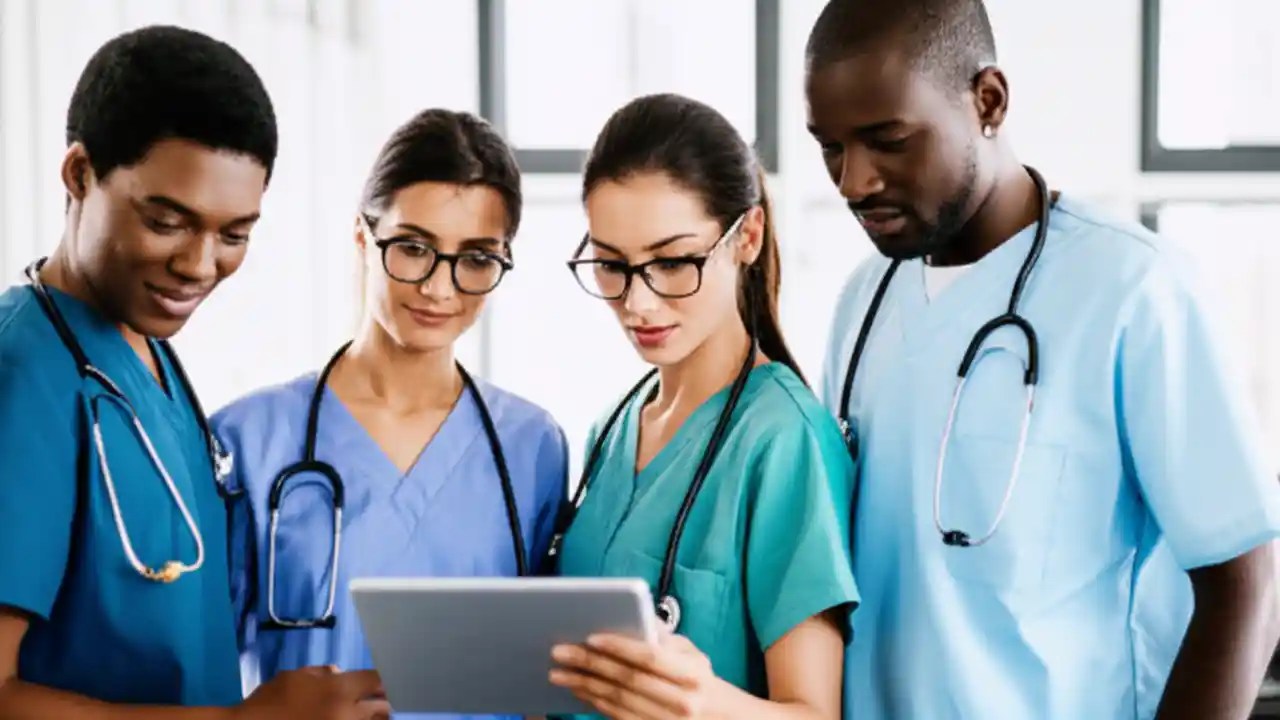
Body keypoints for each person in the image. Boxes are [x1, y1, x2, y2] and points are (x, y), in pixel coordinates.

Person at [803, 1, 1280, 718]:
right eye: (830, 148)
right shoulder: (864, 304)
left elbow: (1246, 581)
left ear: (987, 101)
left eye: (888, 141)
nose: (854, 182)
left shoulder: (1134, 289)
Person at [0, 24, 389, 719]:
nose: (199, 265)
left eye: (235, 233)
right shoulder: (23, 375)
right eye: (167, 220)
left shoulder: (149, 352)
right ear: (80, 175)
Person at [211, 108, 568, 719]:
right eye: (412, 248)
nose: (439, 287)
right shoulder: (248, 440)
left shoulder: (532, 448)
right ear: (361, 237)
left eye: (477, 258)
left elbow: (535, 674)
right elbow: (201, 670)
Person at [546, 93, 858, 720]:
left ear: (747, 237)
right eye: (611, 265)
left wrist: (699, 702)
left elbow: (813, 714)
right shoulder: (612, 428)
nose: (639, 303)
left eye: (672, 262)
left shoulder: (783, 440)